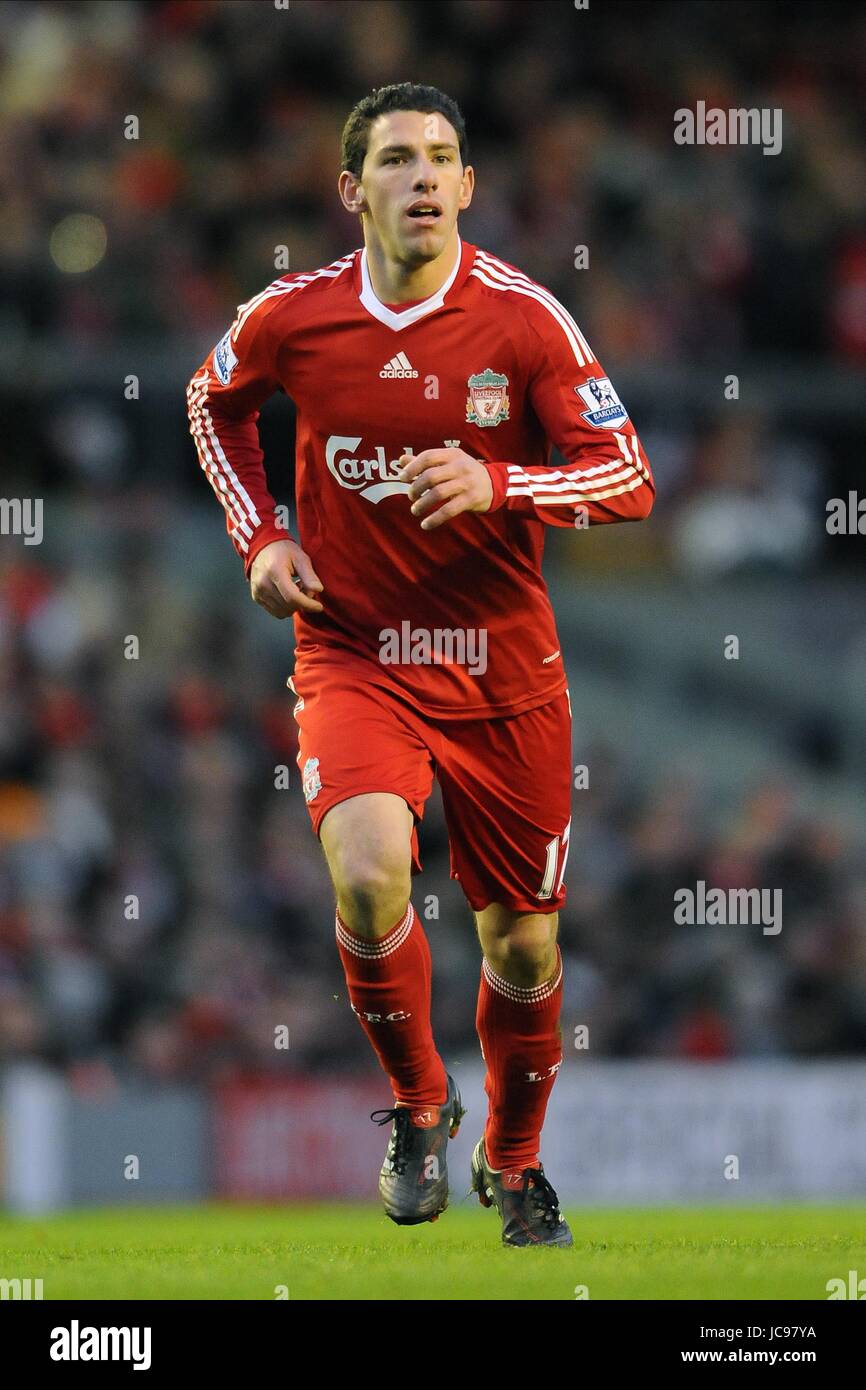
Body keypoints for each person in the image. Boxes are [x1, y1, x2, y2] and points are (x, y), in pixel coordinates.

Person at [187, 82, 654, 1247]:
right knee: (365, 871)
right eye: (397, 160)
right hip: (354, 650)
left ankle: (513, 1157)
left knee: (522, 943)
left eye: (443, 158)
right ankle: (413, 1104)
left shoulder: (525, 320)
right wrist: (262, 532)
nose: (425, 179)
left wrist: (500, 480)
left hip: (501, 669)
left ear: (469, 186)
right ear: (352, 192)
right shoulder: (292, 316)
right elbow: (211, 404)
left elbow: (629, 475)